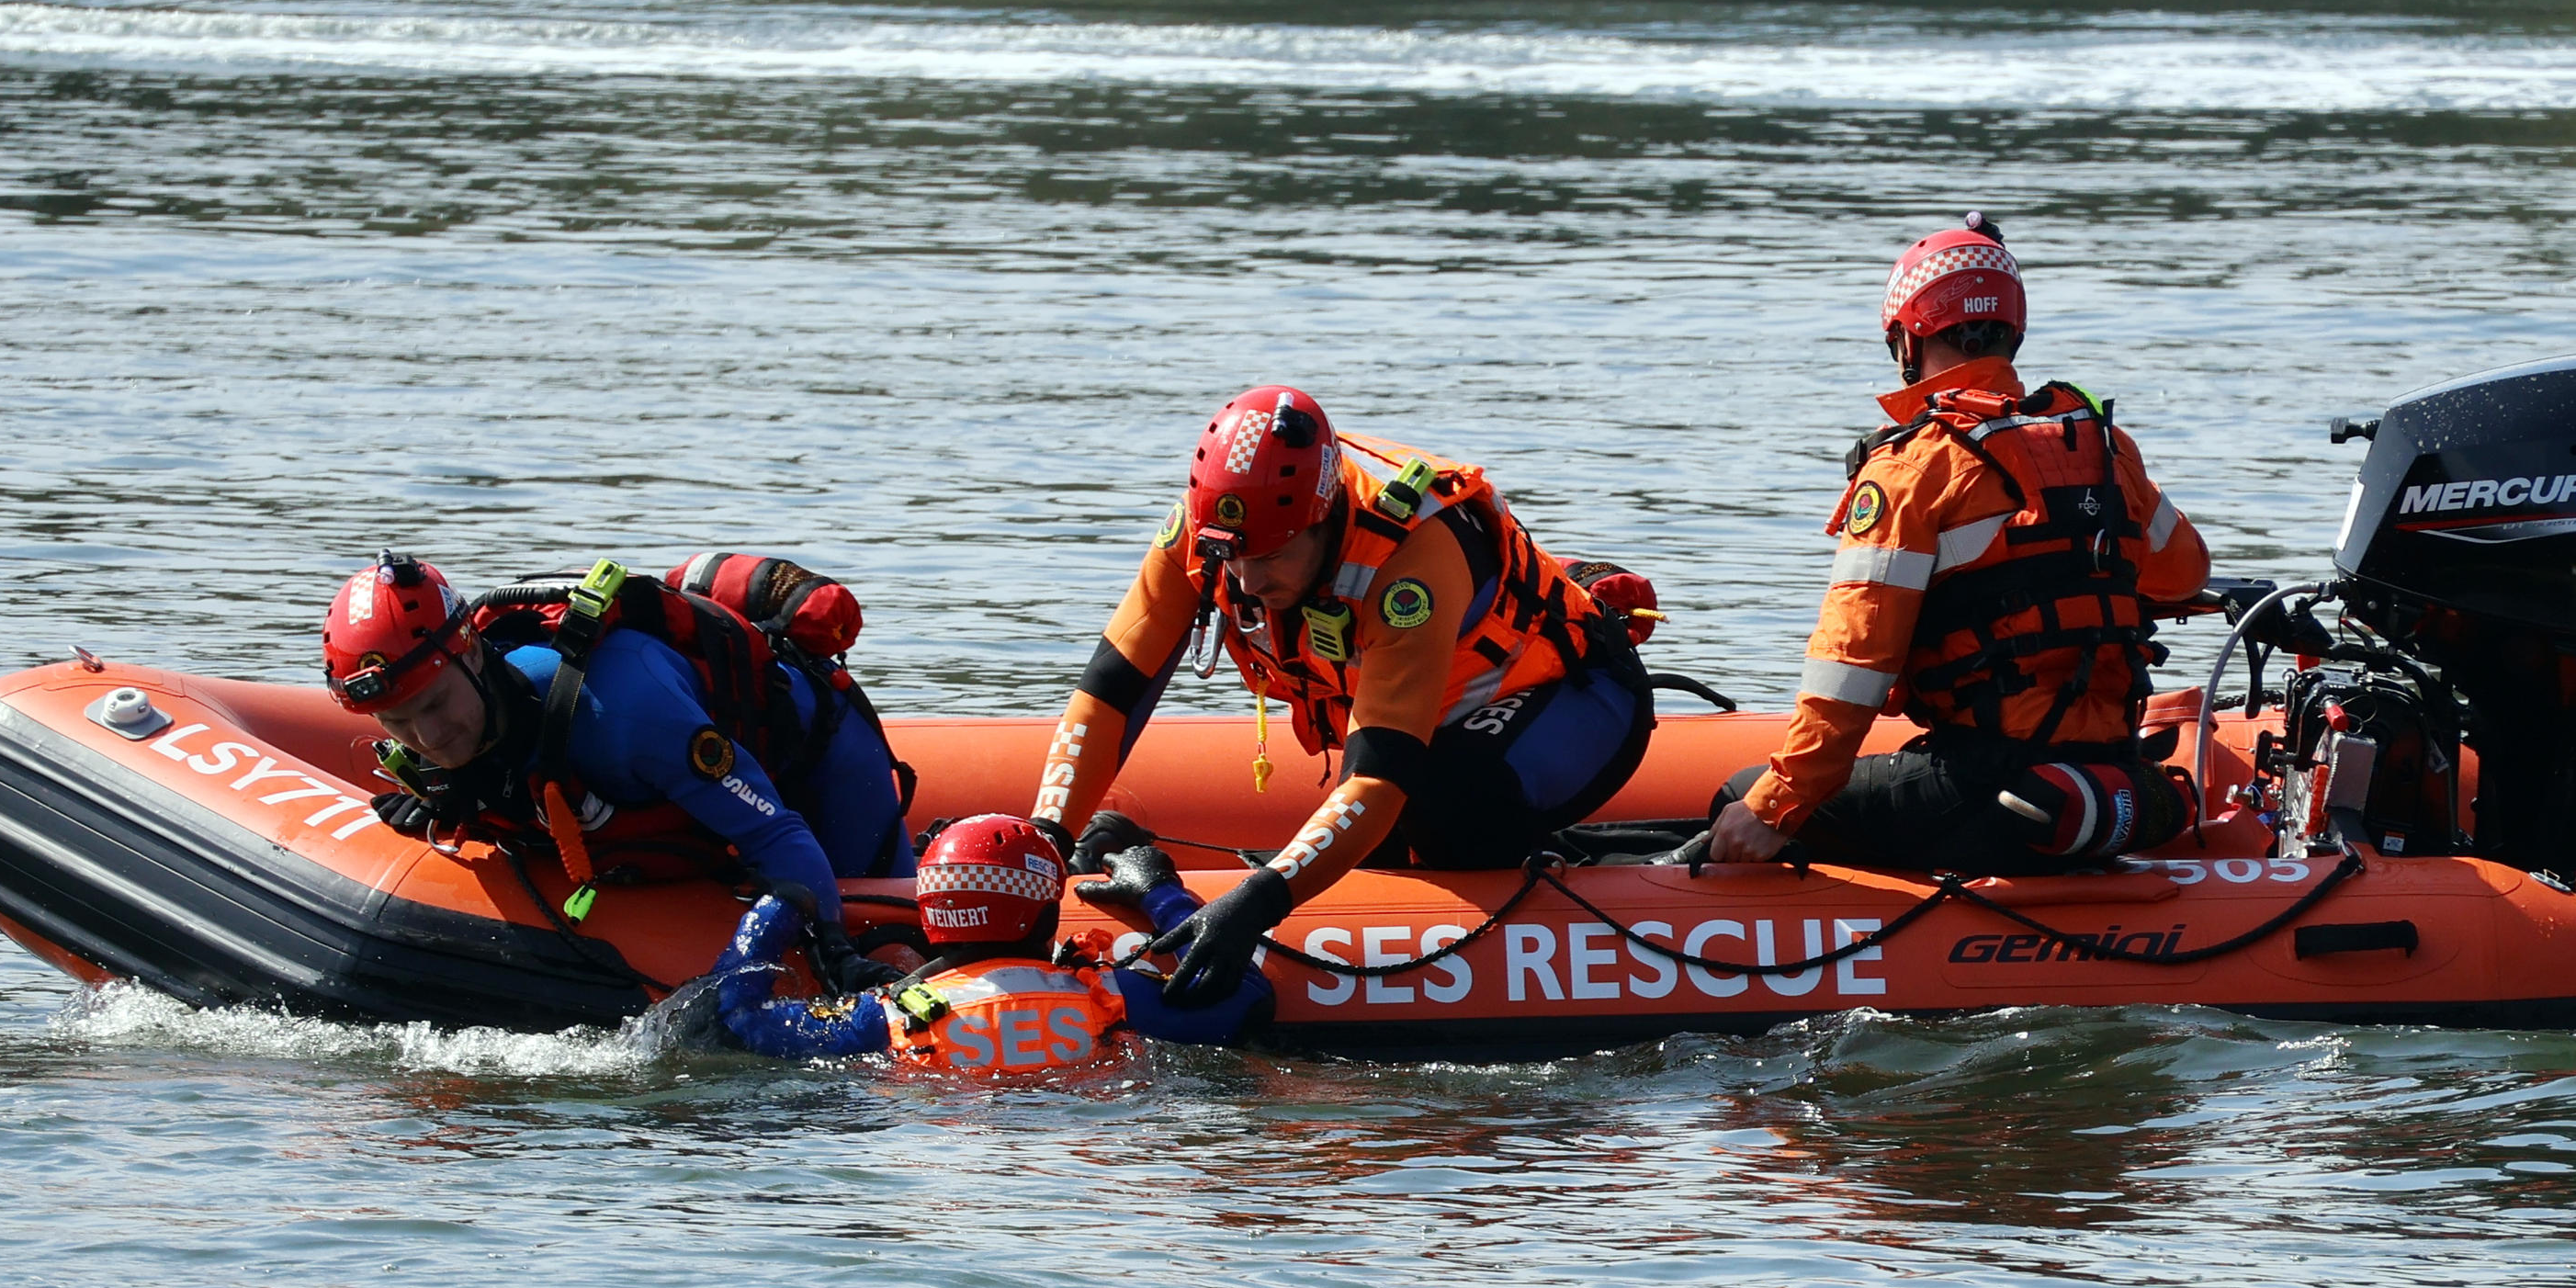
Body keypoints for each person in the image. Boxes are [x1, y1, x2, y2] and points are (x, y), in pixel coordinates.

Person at [1032, 386, 1659, 1007]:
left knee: (1443, 801)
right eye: (1234, 557)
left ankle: (1636, 865)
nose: (1247, 580)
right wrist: (1045, 843)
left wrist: (1259, 903)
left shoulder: (1410, 556)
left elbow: (1379, 782)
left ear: (1322, 518)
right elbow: (1109, 692)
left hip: (1574, 698)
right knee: (1382, 836)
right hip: (1428, 722)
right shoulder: (1214, 533)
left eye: (1272, 556)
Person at [1705, 216, 2219, 875]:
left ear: (1907, 340)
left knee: (1734, 797)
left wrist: (1775, 805)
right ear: (2014, 330)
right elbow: (2183, 573)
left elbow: (1852, 671)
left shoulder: (1912, 469)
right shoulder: (2107, 449)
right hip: (2103, 767)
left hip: (1985, 786)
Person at [322, 552, 906, 958]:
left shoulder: (622, 711)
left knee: (892, 942)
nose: (427, 735)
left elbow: (778, 837)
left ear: (472, 654)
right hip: (673, 808)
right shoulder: (444, 736)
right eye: (399, 721)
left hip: (822, 767)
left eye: (435, 704)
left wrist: (829, 947)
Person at [707, 814, 1270, 1071]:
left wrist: (778, 910)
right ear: (1048, 915)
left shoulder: (887, 1019)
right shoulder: (1114, 999)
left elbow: (741, 1017)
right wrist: (1160, 894)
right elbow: (1246, 997)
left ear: (928, 915)